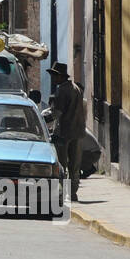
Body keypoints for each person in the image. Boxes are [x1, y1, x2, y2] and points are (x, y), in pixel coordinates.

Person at [47, 61, 86, 201]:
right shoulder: (76, 88)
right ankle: (73, 192)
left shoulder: (62, 90)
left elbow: (57, 114)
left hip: (64, 133)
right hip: (79, 131)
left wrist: (43, 119)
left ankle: (63, 193)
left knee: (62, 165)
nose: (53, 78)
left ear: (60, 77)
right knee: (75, 165)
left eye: (54, 75)